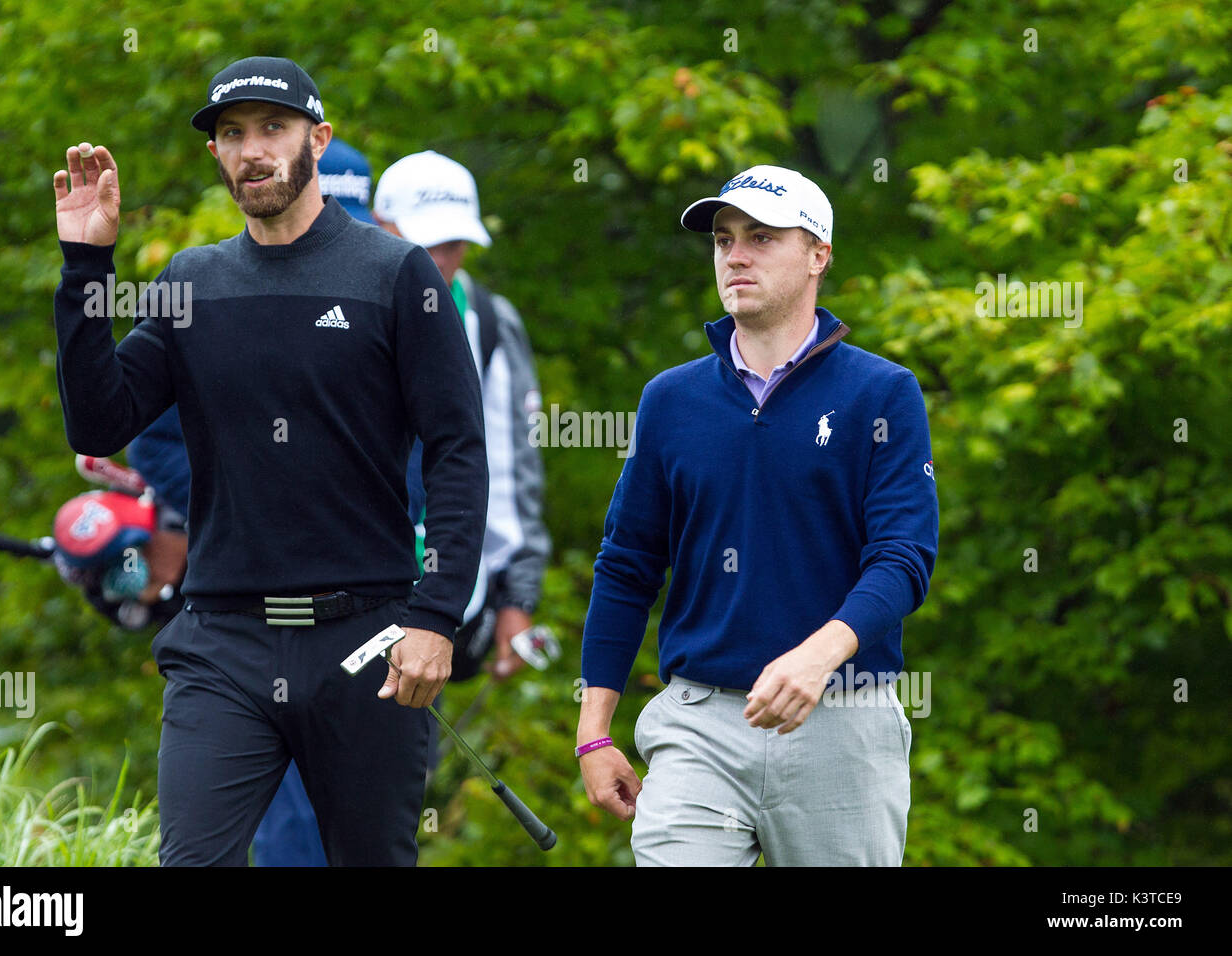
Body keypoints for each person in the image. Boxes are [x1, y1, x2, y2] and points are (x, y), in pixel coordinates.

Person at [51, 56, 488, 866]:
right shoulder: (192, 280)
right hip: (222, 643)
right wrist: (86, 269)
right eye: (232, 134)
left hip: (368, 640)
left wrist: (436, 618)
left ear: (317, 139)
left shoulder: (396, 276)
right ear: (216, 154)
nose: (252, 150)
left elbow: (460, 448)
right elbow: (99, 419)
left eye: (272, 129)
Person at [576, 164, 939, 866]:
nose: (735, 255)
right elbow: (625, 569)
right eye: (723, 238)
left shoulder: (883, 394)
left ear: (817, 256)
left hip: (843, 720)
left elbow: (903, 559)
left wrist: (820, 652)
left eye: (762, 237)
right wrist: (594, 732)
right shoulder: (670, 400)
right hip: (697, 727)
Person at [372, 150, 550, 687]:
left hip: (437, 588)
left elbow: (509, 461)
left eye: (454, 243)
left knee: (402, 757)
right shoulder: (327, 302)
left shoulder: (488, 320)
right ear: (381, 225)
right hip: (327, 579)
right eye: (427, 243)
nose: (441, 260)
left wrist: (517, 595)